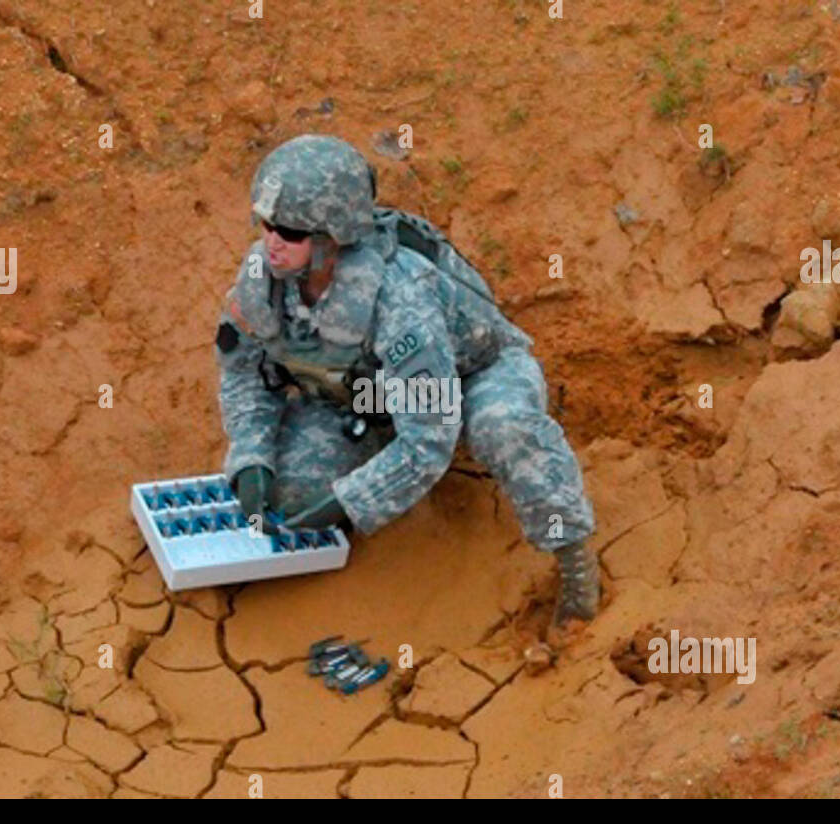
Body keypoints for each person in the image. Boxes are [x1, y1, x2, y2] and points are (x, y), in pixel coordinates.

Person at [213, 134, 600, 626]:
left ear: (331, 236)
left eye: (289, 231)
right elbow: (245, 370)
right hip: (367, 398)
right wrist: (251, 457)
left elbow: (428, 437)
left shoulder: (400, 298)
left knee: (504, 427)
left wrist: (351, 501)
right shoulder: (263, 278)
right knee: (289, 495)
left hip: (471, 378)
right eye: (267, 224)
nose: (271, 241)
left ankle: (573, 558)